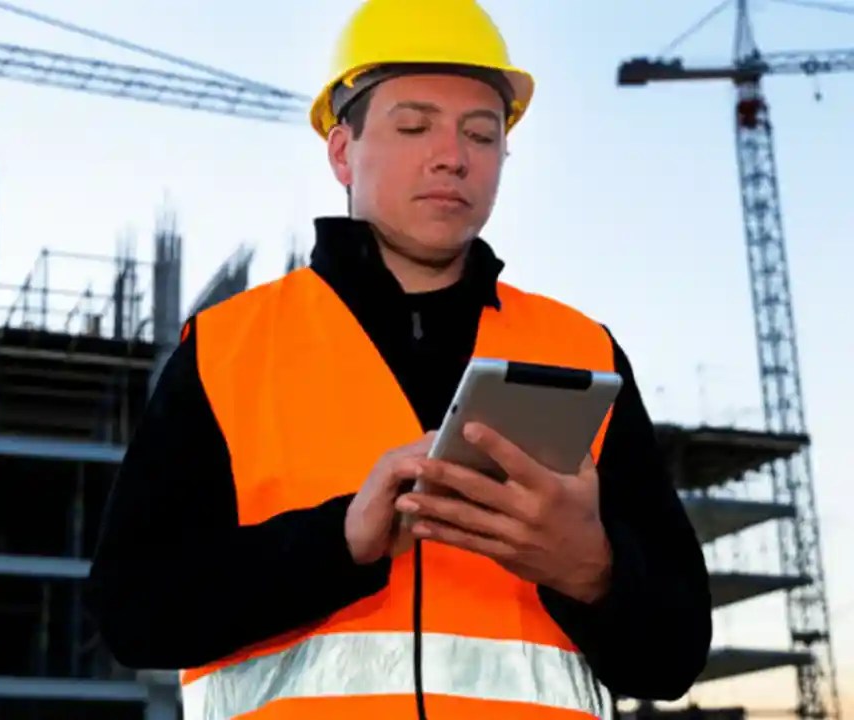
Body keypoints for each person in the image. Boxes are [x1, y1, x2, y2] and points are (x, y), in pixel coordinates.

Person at [87, 0, 712, 717]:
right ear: (342, 151)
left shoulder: (581, 351)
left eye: (483, 133)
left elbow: (673, 657)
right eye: (414, 126)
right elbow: (131, 613)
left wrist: (594, 571)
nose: (453, 154)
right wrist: (338, 542)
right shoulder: (228, 349)